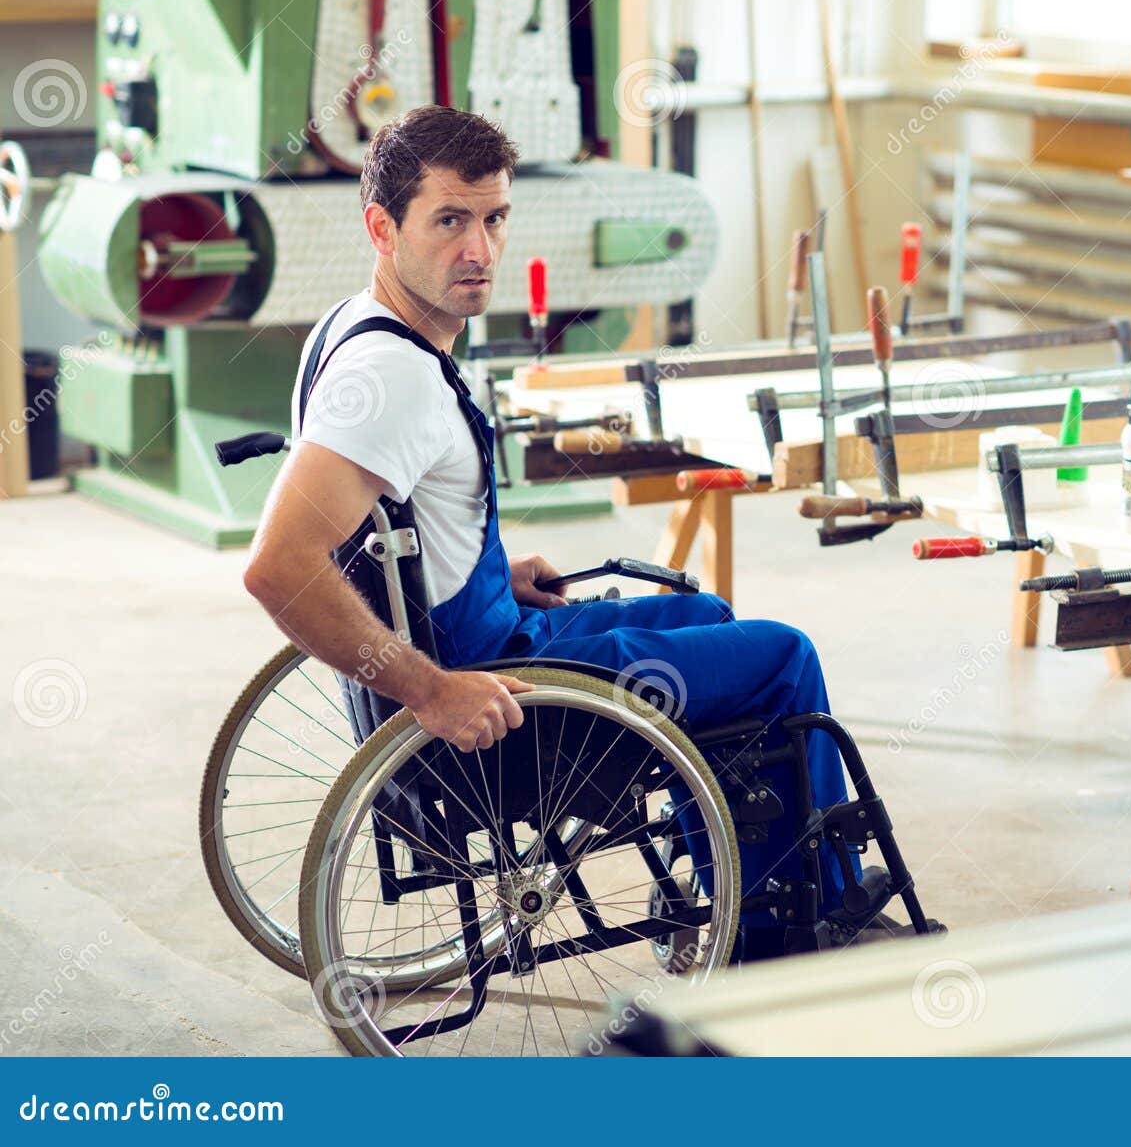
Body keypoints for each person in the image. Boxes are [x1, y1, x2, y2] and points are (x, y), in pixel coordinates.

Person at [241, 105, 864, 953]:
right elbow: (278, 567)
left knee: (707, 619)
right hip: (498, 700)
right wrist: (430, 692)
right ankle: (774, 926)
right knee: (783, 657)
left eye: (495, 219)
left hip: (490, 631)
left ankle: (722, 882)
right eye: (450, 221)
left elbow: (400, 524)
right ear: (382, 228)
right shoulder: (390, 377)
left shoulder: (354, 328)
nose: (481, 251)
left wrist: (492, 568)